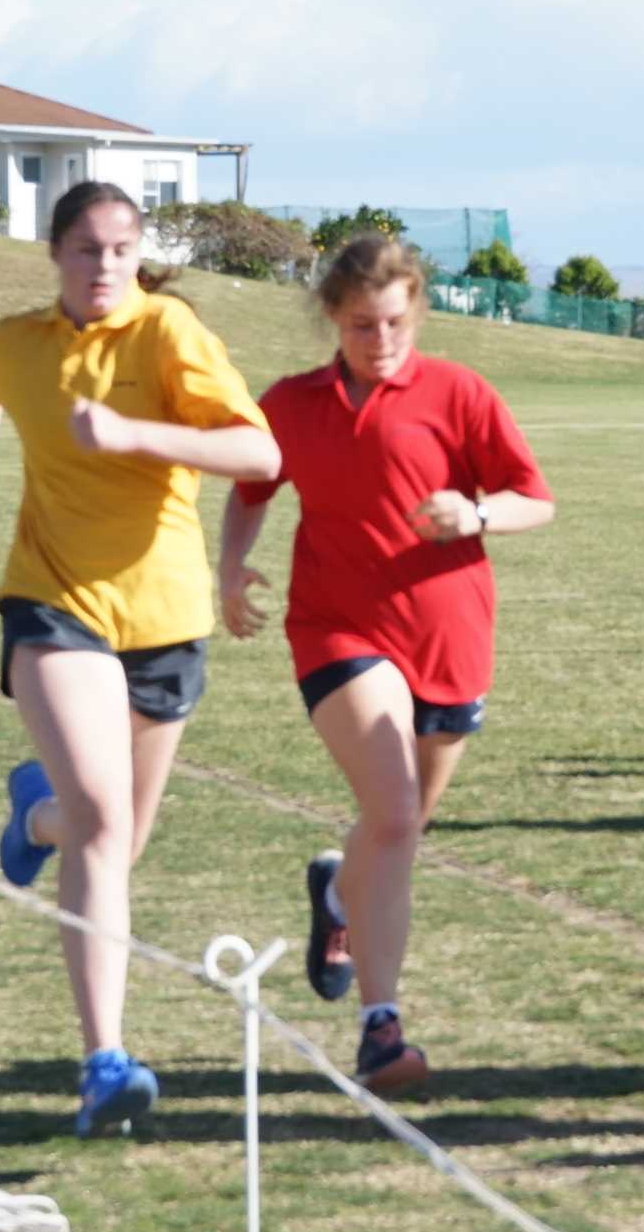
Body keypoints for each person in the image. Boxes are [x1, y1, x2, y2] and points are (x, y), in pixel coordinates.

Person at [0, 181, 279, 1137]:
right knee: (105, 820)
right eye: (87, 249)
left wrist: (134, 435)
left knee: (107, 840)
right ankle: (104, 1061)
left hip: (164, 613)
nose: (107, 265)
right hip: (52, 601)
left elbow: (257, 452)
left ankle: (31, 819)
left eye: (122, 247)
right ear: (55, 256)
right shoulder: (17, 342)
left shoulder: (169, 335)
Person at [216, 235, 554, 1095]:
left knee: (396, 829)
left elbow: (535, 500)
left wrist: (474, 513)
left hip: (449, 636)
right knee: (395, 813)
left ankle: (338, 898)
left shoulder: (460, 393)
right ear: (333, 316)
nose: (381, 340)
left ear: (419, 312)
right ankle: (381, 1026)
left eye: (396, 322)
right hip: (336, 630)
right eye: (363, 324)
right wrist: (229, 564)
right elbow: (252, 487)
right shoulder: (293, 403)